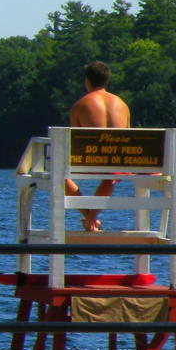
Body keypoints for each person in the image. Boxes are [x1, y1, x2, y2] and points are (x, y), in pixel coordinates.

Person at [65, 61, 132, 231]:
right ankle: (91, 219)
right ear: (106, 80)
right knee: (111, 174)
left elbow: (75, 140)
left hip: (90, 159)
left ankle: (89, 218)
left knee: (58, 177)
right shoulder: (122, 105)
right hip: (119, 162)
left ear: (87, 80)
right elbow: (129, 136)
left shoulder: (80, 105)